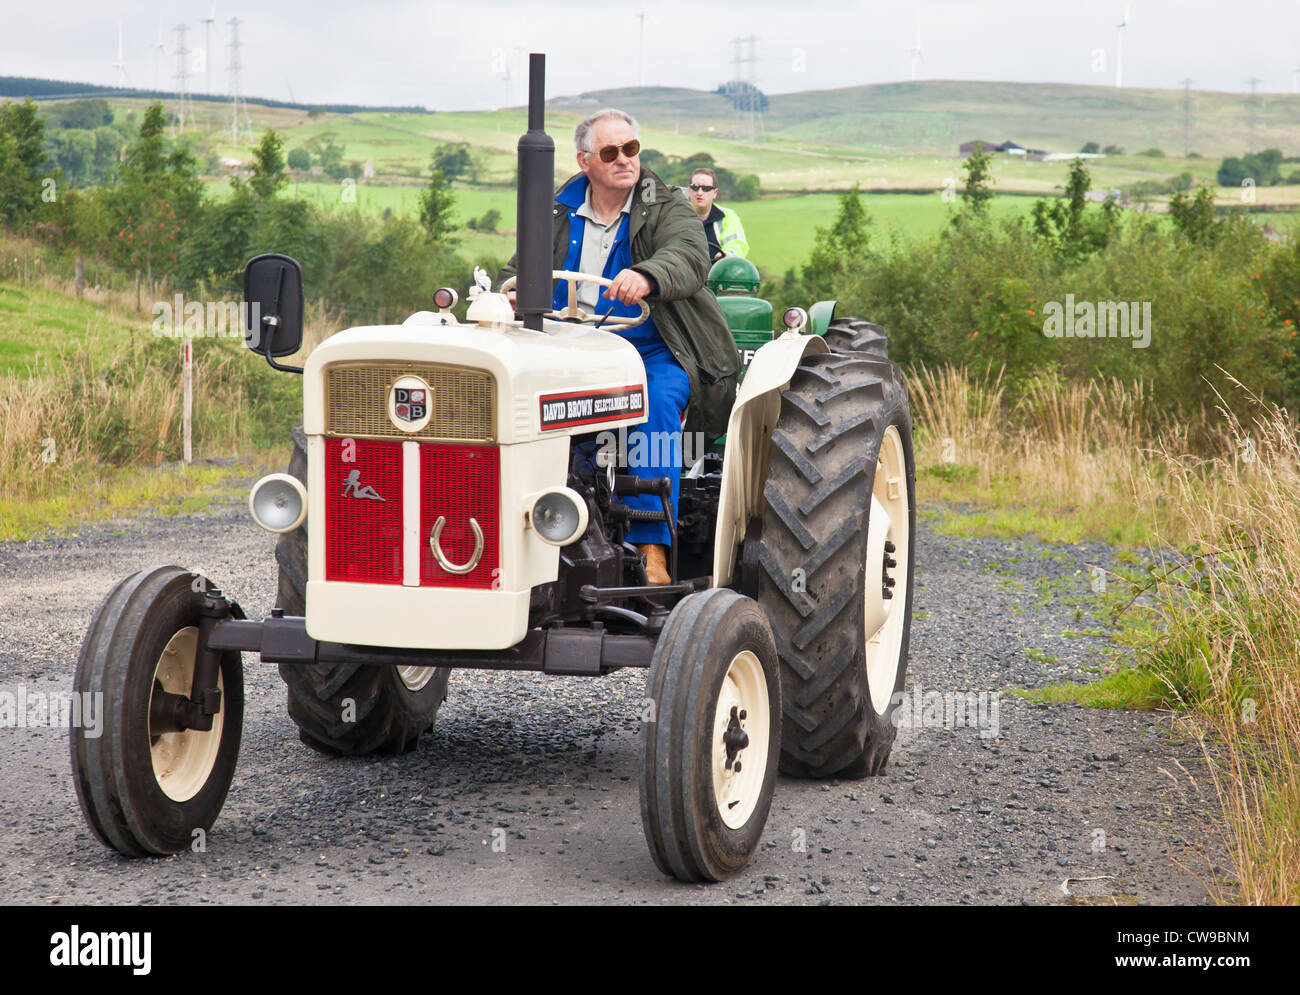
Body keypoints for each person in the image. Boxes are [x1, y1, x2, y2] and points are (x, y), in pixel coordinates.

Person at [498, 109, 739, 585]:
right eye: (611, 152)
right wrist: (510, 289)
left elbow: (690, 256)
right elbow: (516, 268)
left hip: (652, 347)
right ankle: (535, 529)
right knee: (519, 406)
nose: (625, 160)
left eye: (632, 149)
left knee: (657, 405)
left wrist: (649, 274)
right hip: (568, 349)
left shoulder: (667, 205)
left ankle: (652, 551)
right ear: (585, 161)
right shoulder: (556, 210)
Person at [688, 167, 750, 261]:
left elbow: (737, 243)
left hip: (718, 272)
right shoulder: (676, 215)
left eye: (706, 188)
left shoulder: (727, 216)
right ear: (689, 190)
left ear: (715, 193)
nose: (699, 193)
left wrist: (729, 254)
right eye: (695, 187)